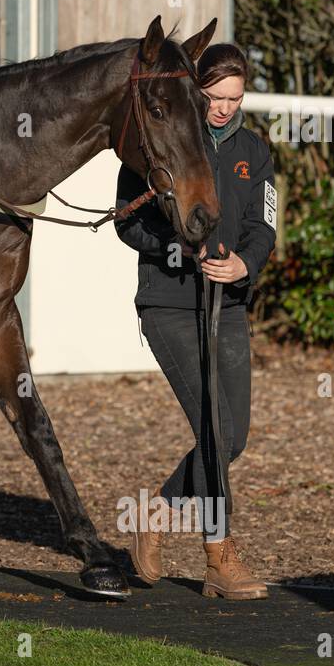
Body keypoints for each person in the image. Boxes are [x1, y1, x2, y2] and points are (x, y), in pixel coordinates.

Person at [114, 43, 277, 599]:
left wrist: (243, 263)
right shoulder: (158, 141)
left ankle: (153, 516)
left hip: (227, 304)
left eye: (235, 98)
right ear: (195, 90)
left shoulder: (255, 153)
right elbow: (126, 222)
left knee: (234, 436)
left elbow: (265, 226)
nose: (225, 108)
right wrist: (175, 250)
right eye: (214, 97)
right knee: (214, 427)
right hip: (170, 305)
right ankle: (220, 557)